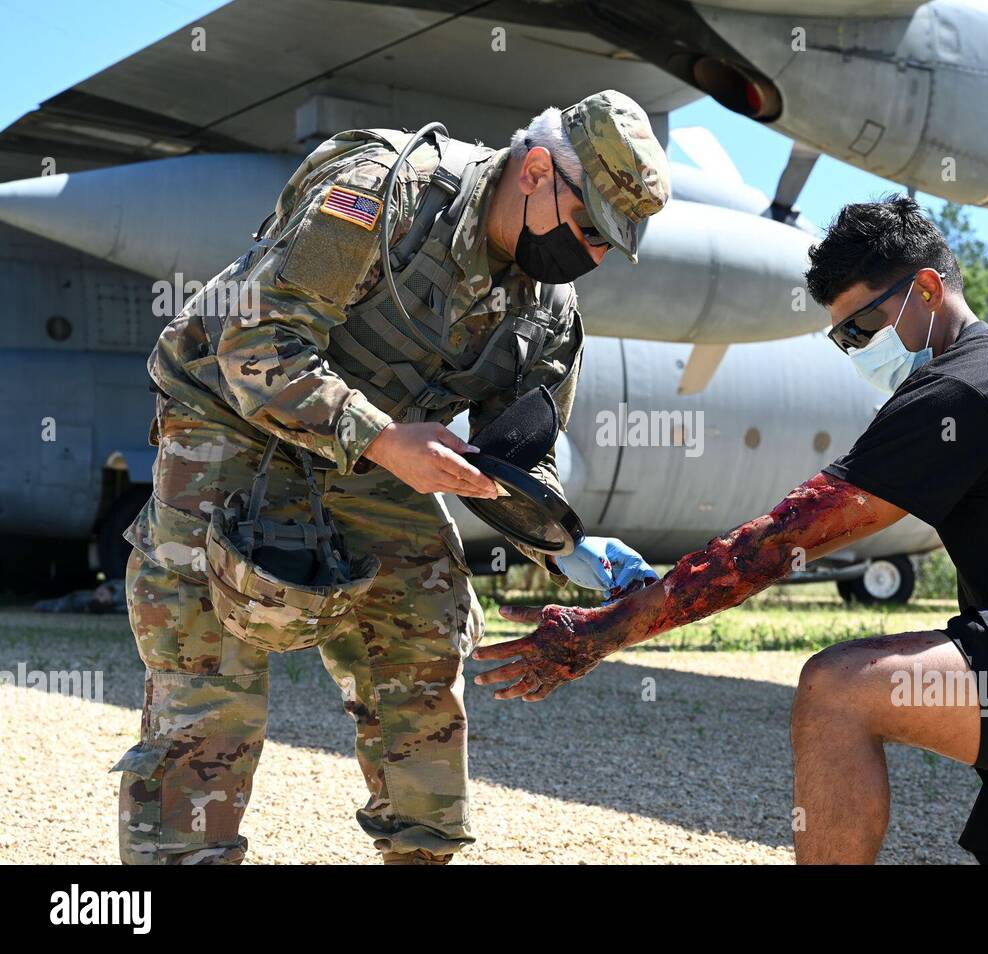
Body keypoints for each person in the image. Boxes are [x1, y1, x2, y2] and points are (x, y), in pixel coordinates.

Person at [475, 195, 988, 865]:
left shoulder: (963, 388)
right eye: (841, 340)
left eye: (862, 327)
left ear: (926, 290)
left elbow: (775, 546)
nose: (858, 351)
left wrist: (608, 630)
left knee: (839, 689)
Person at [113, 90, 670, 864]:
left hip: (380, 459)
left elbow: (517, 458)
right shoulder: (389, 191)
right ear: (538, 170)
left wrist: (562, 541)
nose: (594, 256)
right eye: (589, 230)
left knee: (425, 655)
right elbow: (257, 346)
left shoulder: (547, 312)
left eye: (611, 244)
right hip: (232, 428)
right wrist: (381, 441)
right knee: (209, 691)